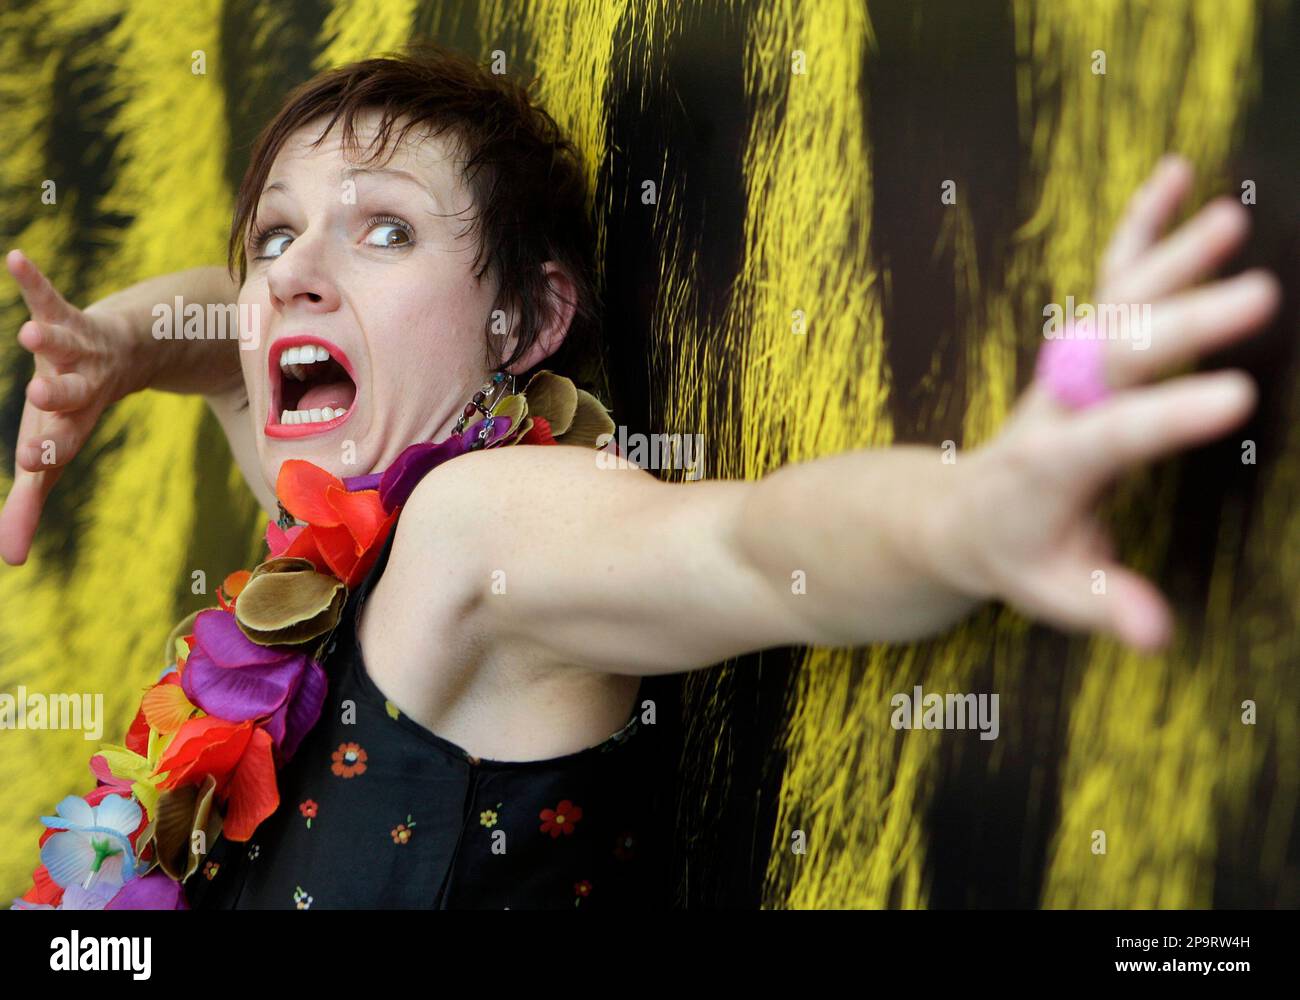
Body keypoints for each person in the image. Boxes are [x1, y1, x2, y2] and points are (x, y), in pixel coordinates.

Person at [1, 46, 1281, 909]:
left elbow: (740, 547)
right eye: (279, 230)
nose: (292, 271)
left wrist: (973, 509)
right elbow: (231, 339)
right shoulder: (325, 552)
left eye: (384, 227)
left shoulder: (471, 523)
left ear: (525, 322)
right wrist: (119, 344)